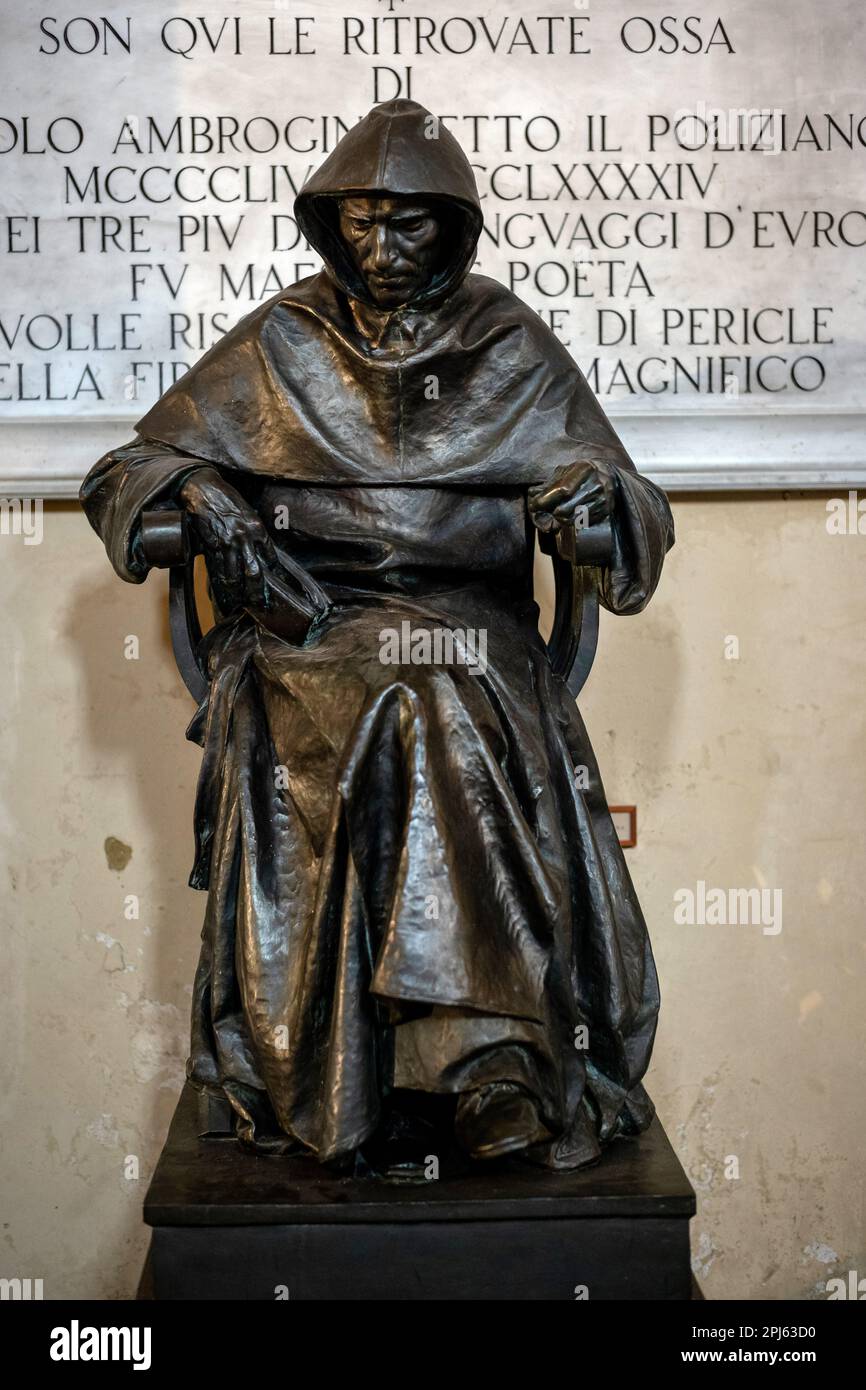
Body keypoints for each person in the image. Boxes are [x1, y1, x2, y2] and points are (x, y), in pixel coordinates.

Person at [81, 99, 675, 1175]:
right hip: (316, 628)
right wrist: (206, 496)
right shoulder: (285, 336)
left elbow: (618, 493)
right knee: (405, 689)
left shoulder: (502, 336)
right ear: (327, 223)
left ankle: (482, 1057)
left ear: (454, 229)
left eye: (408, 225)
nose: (380, 248)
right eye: (358, 223)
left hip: (469, 625)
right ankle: (473, 1060)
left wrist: (588, 490)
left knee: (428, 685)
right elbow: (127, 472)